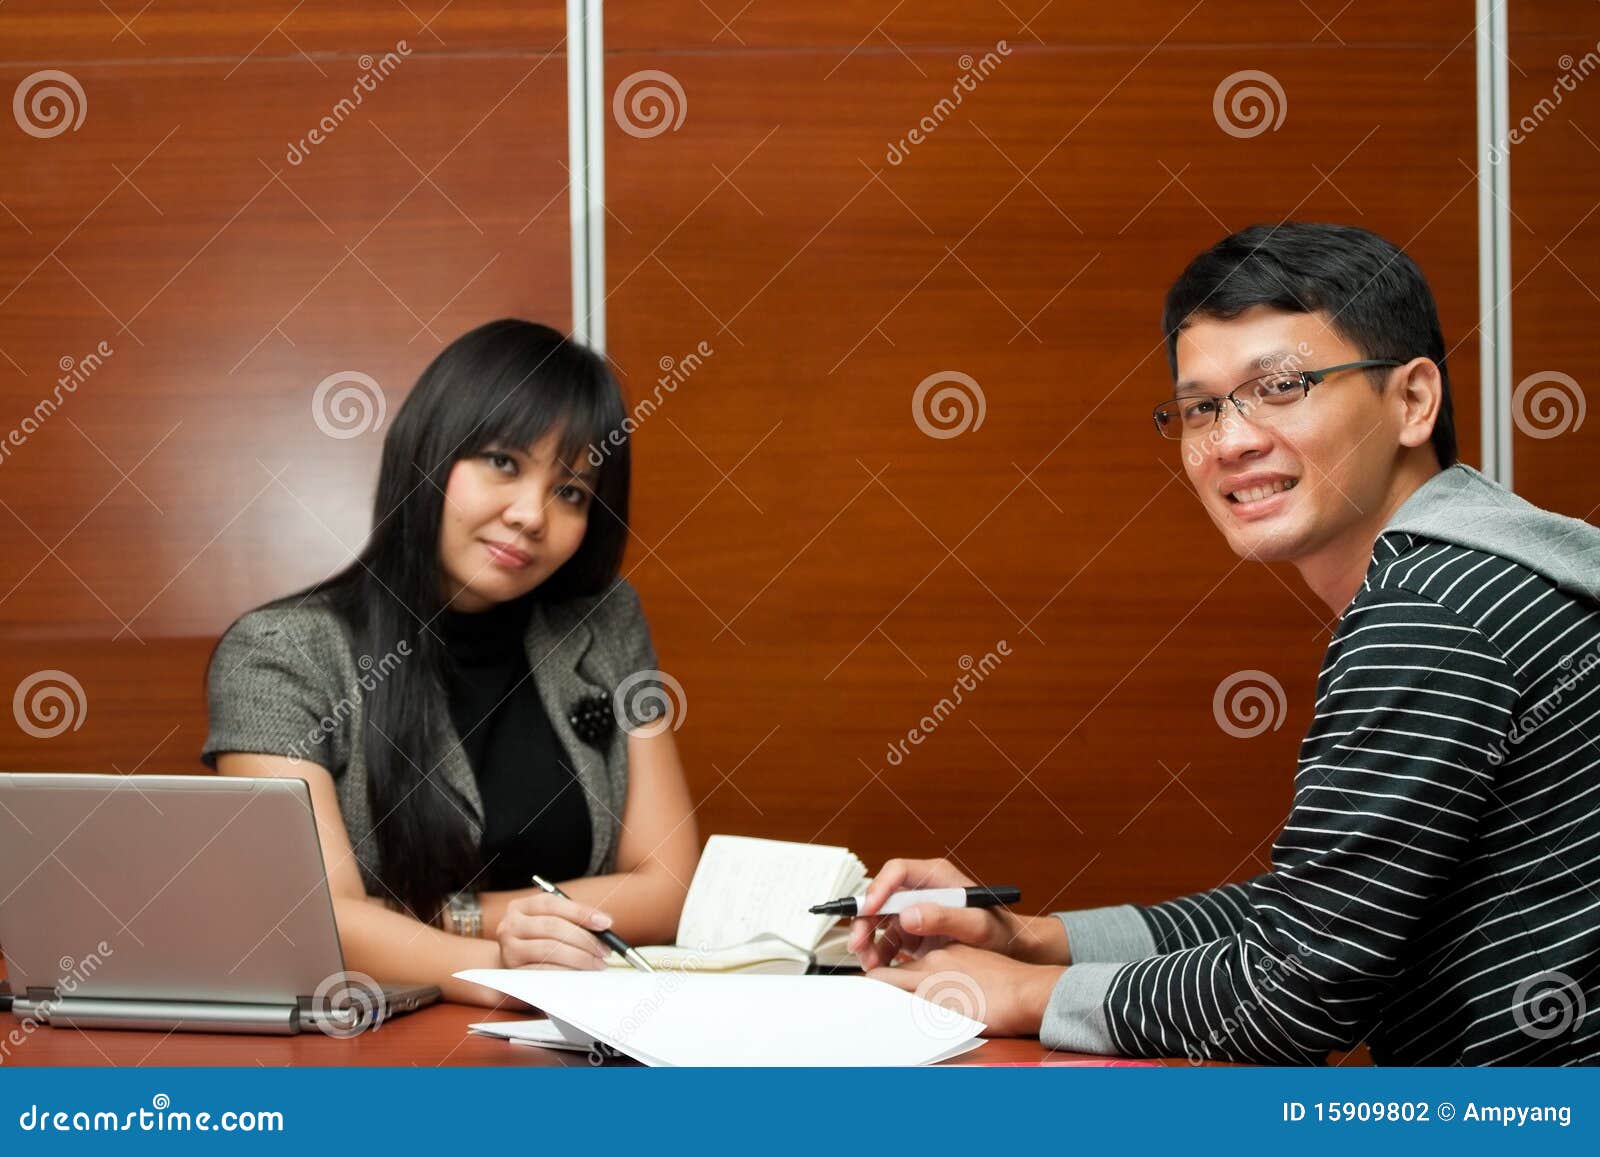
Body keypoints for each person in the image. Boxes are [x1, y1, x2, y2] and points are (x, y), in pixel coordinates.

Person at [854, 222, 1600, 1065]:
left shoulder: (1432, 613)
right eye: (1203, 405)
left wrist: (1025, 994)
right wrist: (1035, 940)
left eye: (1281, 386)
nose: (1231, 439)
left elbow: (1294, 992)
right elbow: (1313, 913)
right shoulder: (1468, 575)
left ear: (1414, 401)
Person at [202, 319, 698, 1007]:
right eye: (504, 461)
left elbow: (668, 886)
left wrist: (465, 916)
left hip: (570, 1037)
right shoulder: (278, 653)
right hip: (378, 1045)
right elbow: (312, 916)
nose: (531, 514)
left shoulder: (607, 623)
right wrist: (502, 961)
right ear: (428, 452)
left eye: (571, 491)